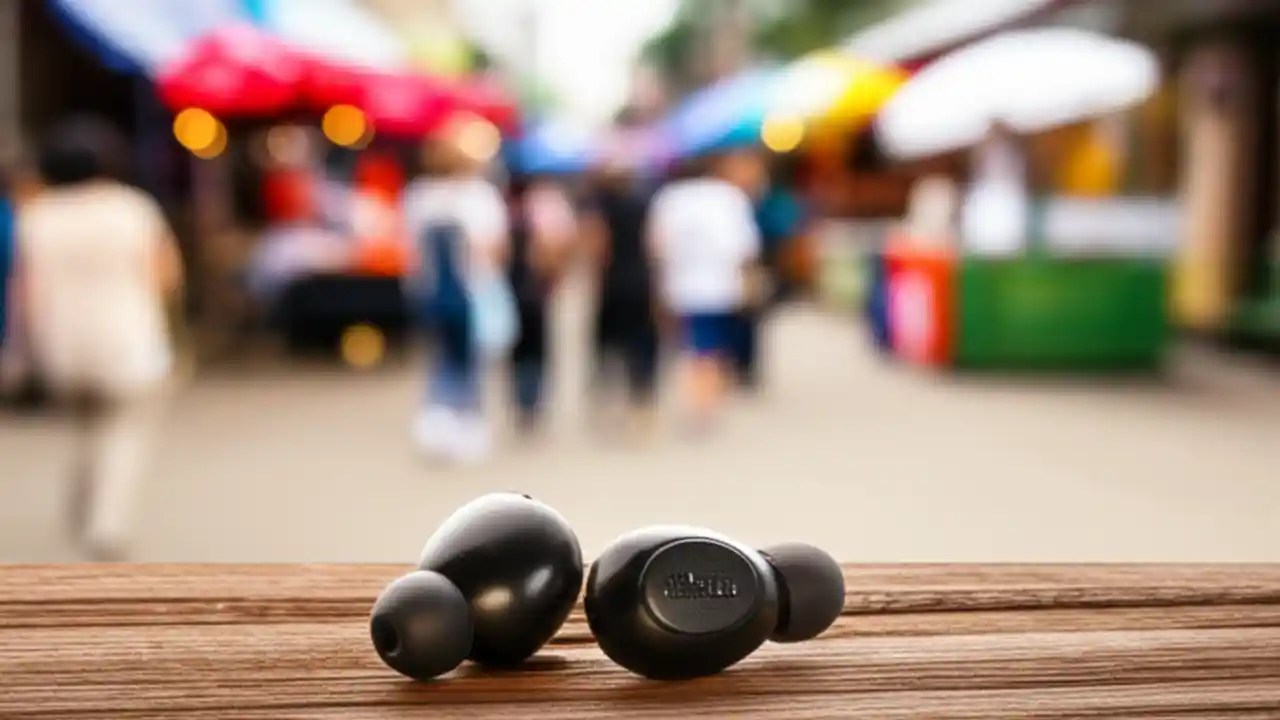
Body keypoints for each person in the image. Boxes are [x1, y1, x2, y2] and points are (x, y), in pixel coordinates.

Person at [18, 117, 183, 559]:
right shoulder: (131, 207)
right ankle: (106, 523)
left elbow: (26, 290)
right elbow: (164, 275)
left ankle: (84, 503)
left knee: (87, 427)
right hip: (127, 339)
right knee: (124, 431)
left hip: (63, 343)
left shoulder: (38, 214)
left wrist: (27, 348)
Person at [404, 124, 510, 463]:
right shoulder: (481, 197)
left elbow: (409, 251)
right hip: (472, 293)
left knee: (441, 359)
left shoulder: (418, 197)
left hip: (429, 294)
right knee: (470, 363)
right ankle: (466, 425)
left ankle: (437, 421)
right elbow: (493, 250)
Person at [648, 152, 761, 429]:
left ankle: (700, 397)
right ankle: (705, 402)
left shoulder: (669, 199)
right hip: (721, 285)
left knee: (694, 345)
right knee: (711, 346)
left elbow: (657, 246)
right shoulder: (727, 198)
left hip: (681, 286)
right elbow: (744, 247)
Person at [582, 161, 659, 437]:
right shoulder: (644, 205)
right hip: (640, 280)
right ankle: (640, 407)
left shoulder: (600, 208)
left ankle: (613, 406)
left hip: (613, 283)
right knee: (641, 346)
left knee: (610, 347)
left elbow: (596, 245)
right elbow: (655, 244)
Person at [506, 175, 576, 432]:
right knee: (535, 348)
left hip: (516, 289)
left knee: (519, 348)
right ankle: (532, 401)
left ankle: (524, 402)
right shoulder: (547, 205)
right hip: (533, 290)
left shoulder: (506, 207)